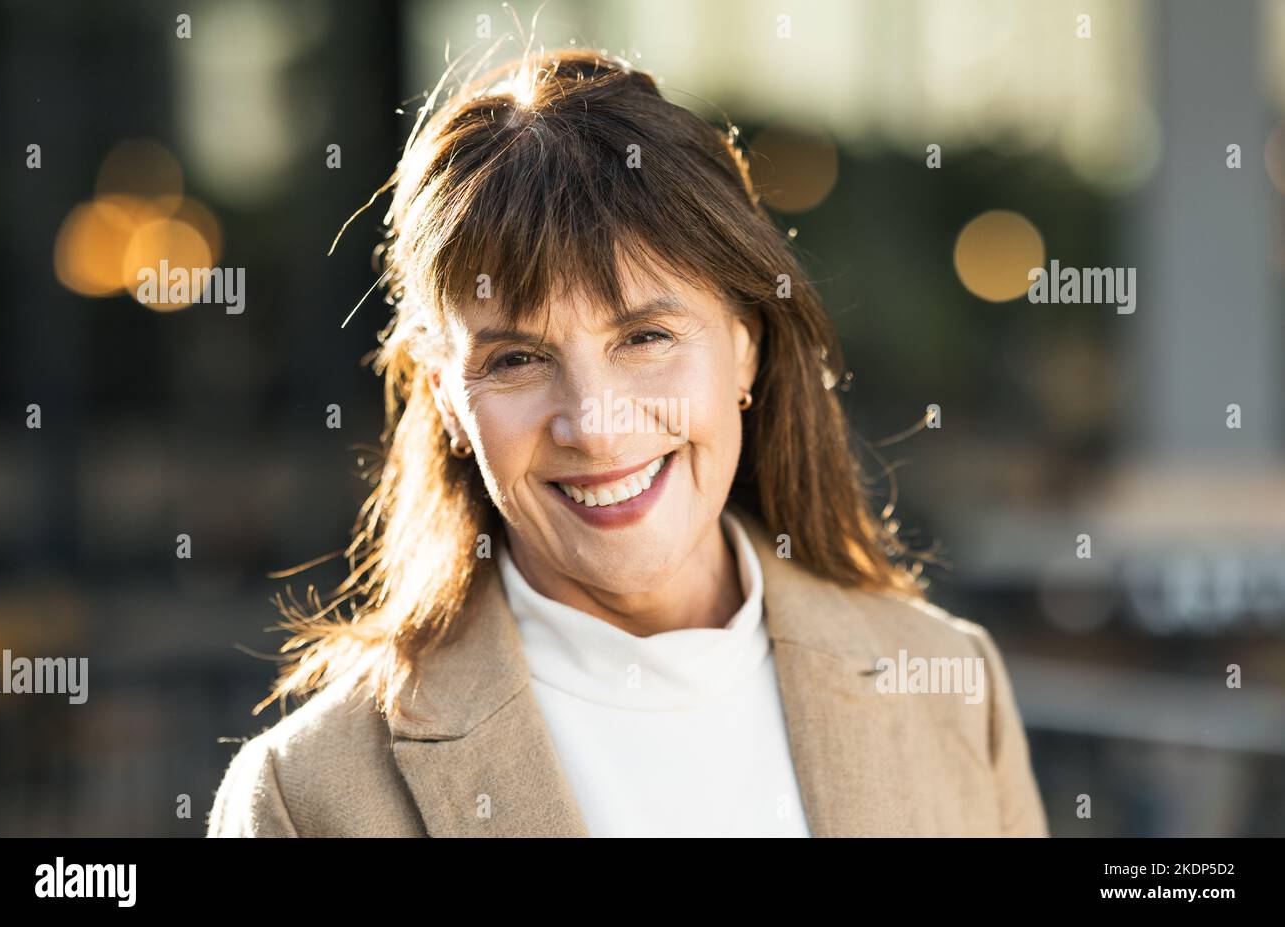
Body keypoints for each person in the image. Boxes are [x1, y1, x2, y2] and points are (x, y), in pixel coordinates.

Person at [206, 48, 1049, 837]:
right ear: (447, 399)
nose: (594, 423)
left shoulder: (949, 683)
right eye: (517, 359)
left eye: (645, 337)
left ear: (746, 345)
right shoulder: (309, 794)